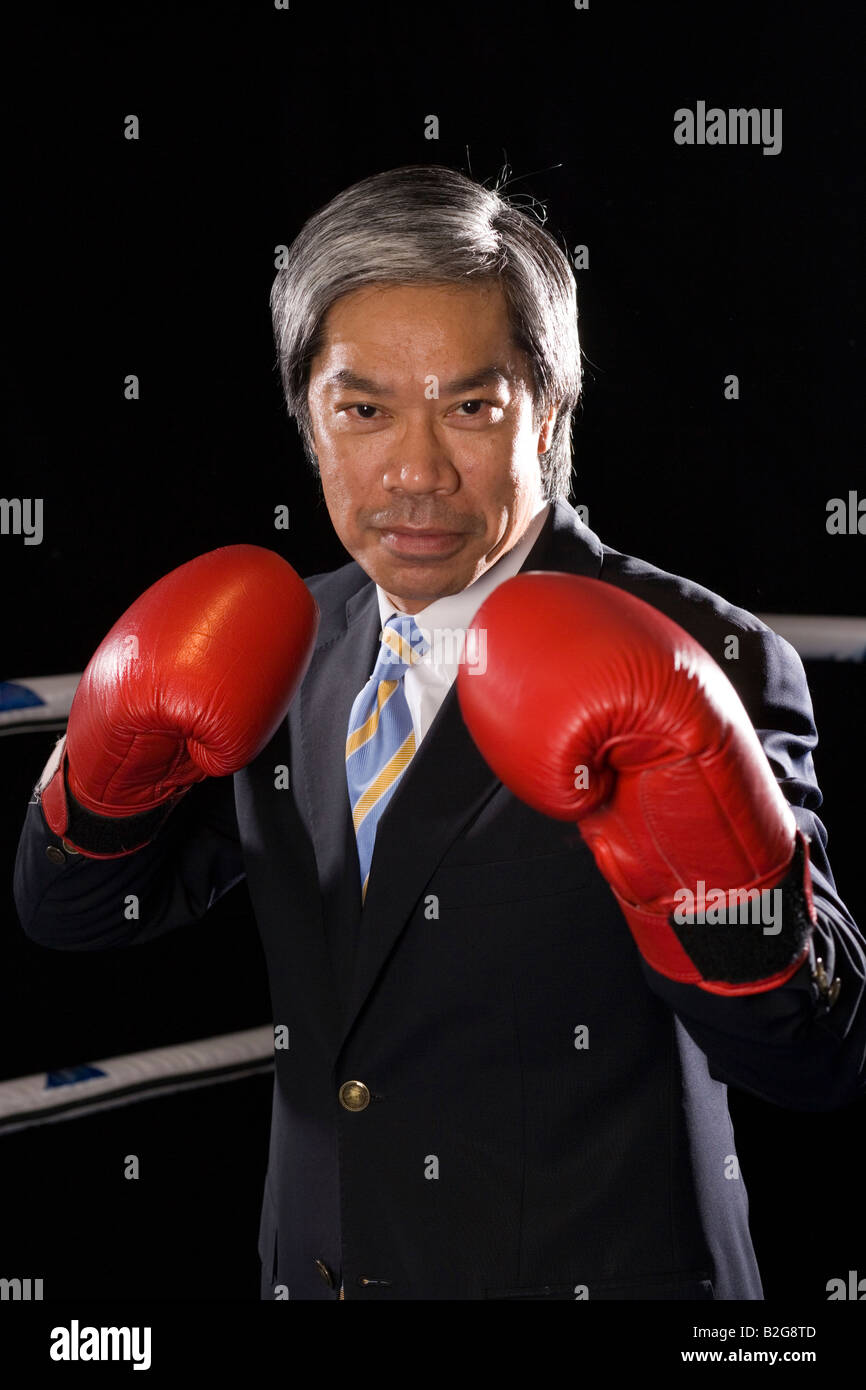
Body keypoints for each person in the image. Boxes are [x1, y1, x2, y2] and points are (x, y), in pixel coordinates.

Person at [14, 165, 865, 1301]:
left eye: (471, 406)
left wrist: (716, 884)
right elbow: (70, 916)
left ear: (548, 410)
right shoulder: (282, 640)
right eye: (362, 410)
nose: (413, 474)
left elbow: (815, 1056)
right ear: (307, 416)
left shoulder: (700, 649)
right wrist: (101, 769)